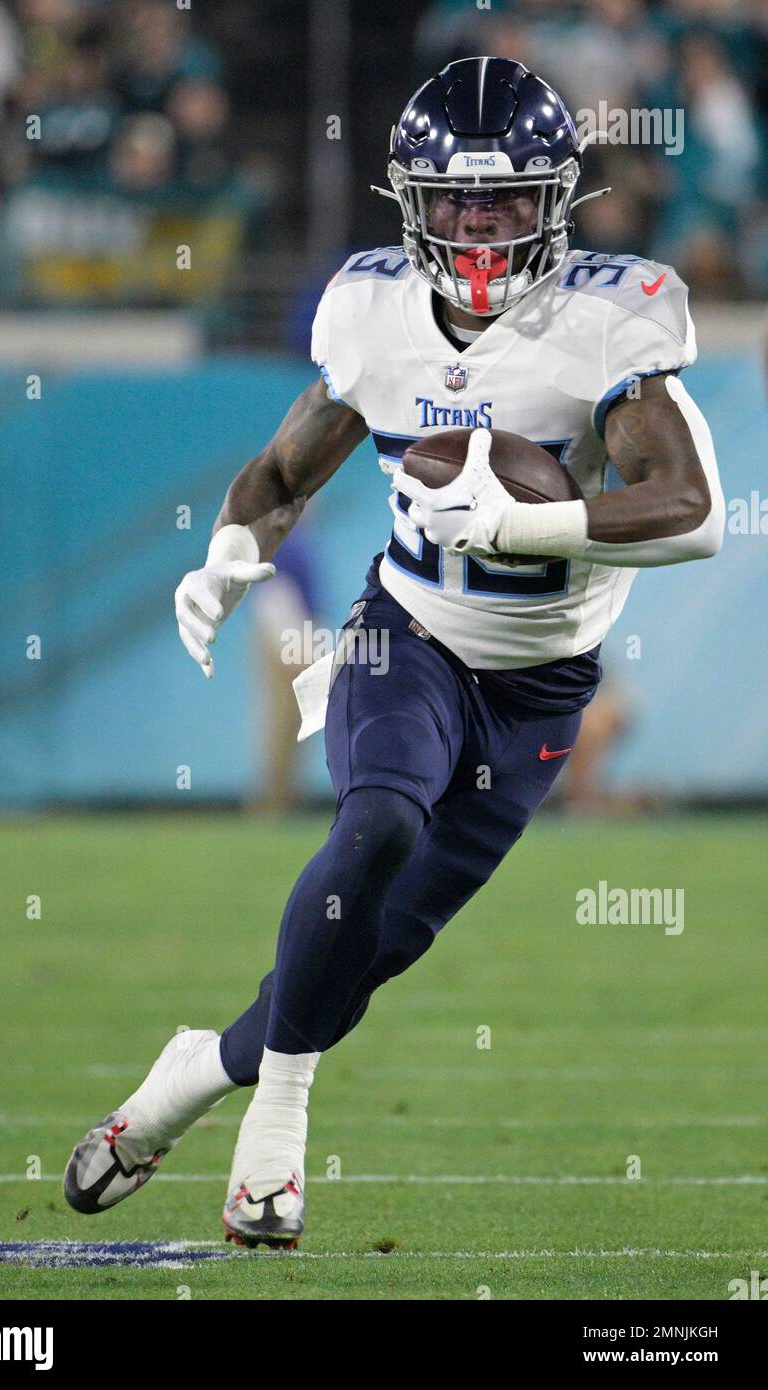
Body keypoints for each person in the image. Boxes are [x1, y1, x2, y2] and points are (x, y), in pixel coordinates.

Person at [64, 57, 724, 1248]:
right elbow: (280, 472)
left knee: (369, 947)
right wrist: (228, 552)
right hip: (404, 634)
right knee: (373, 827)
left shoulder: (606, 321)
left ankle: (185, 1079)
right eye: (456, 202)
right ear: (411, 202)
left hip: (538, 685)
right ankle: (275, 1137)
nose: (479, 228)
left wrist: (527, 522)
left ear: (557, 202)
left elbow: (688, 509)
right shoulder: (370, 312)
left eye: (507, 201)